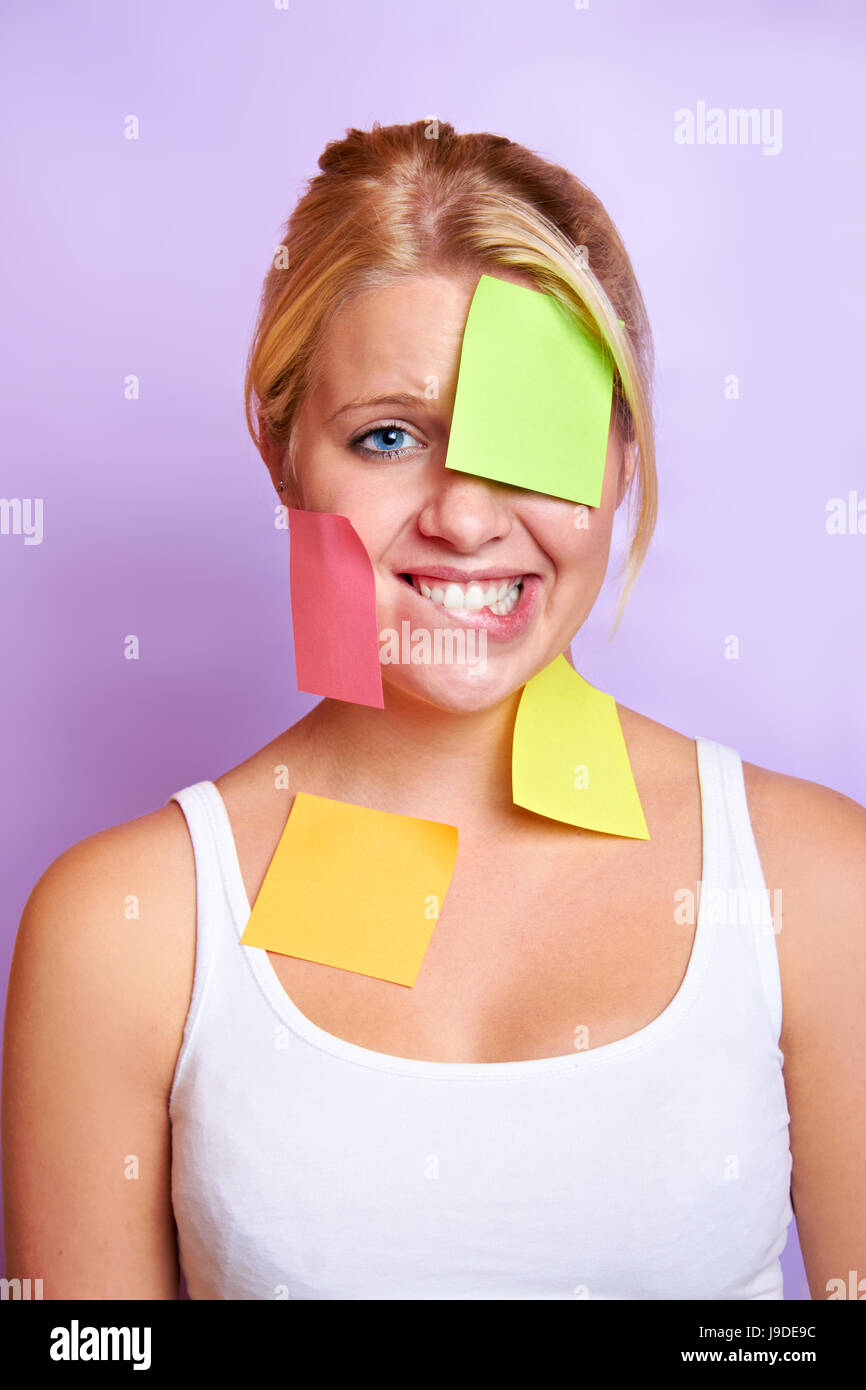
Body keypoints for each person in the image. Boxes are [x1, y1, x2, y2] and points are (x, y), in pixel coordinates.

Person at [3, 119, 865, 1301]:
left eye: (537, 435)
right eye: (389, 436)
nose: (464, 519)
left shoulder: (809, 881)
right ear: (281, 449)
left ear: (618, 454)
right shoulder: (125, 926)